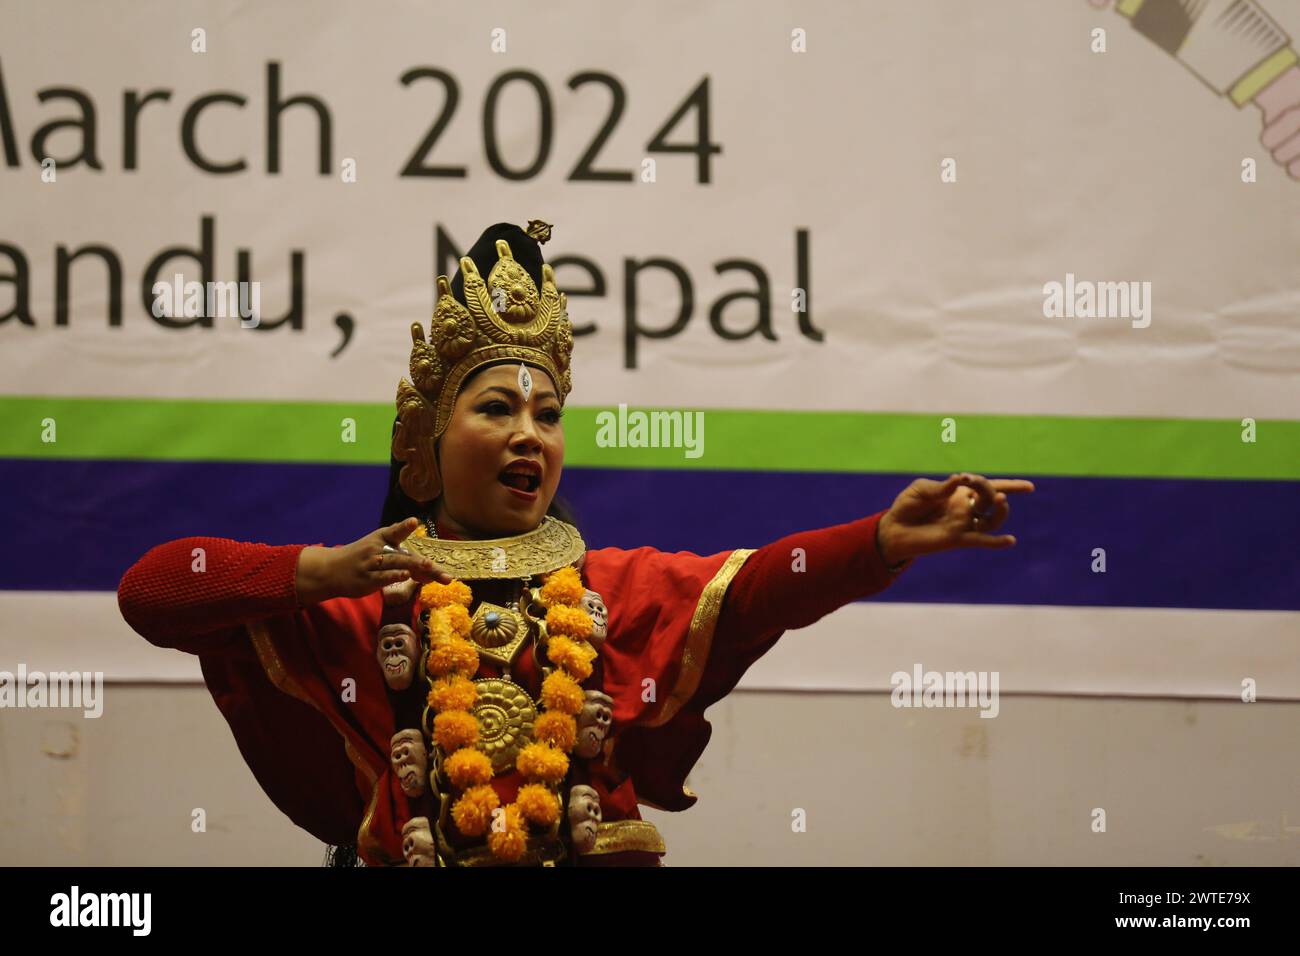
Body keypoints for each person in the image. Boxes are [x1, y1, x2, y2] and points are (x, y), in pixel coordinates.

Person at [117, 219, 1034, 867]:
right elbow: (151, 593)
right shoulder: (370, 598)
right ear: (424, 448)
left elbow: (757, 588)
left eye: (547, 414)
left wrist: (877, 541)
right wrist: (318, 573)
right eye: (496, 408)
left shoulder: (608, 591)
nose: (530, 433)